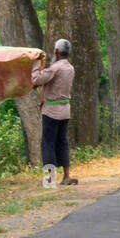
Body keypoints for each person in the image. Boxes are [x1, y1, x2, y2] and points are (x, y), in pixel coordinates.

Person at [32, 39, 77, 186]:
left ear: (57, 52)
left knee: (48, 143)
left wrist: (36, 64)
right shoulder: (70, 68)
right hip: (65, 110)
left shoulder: (56, 68)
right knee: (62, 142)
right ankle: (66, 176)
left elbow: (37, 79)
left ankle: (50, 179)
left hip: (51, 112)